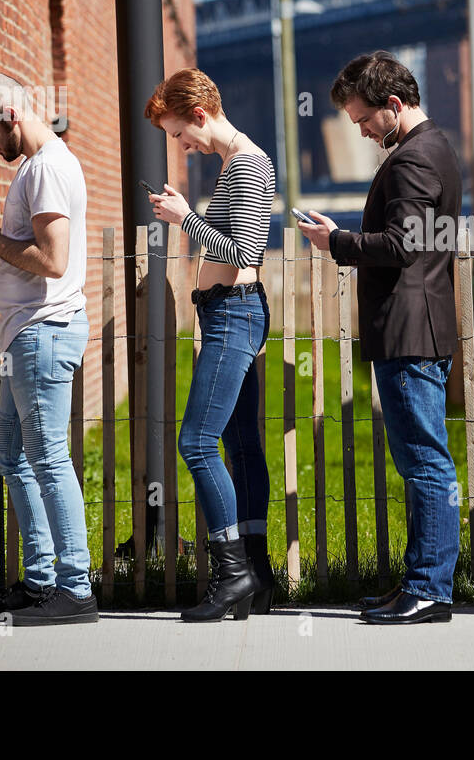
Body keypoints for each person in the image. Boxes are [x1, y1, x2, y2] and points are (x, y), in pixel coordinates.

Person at [299, 50, 462, 625]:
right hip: (417, 328)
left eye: (364, 120)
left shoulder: (413, 159)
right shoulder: (432, 147)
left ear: (393, 105)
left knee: (425, 464)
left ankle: (430, 589)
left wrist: (337, 242)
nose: (363, 132)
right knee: (421, 461)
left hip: (409, 331)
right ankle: (420, 583)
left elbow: (404, 245)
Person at [0, 73, 96, 625]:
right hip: (25, 337)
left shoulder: (48, 166)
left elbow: (51, 261)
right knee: (10, 454)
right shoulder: (39, 165)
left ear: (9, 115)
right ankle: (40, 581)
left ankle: (75, 590)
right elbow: (34, 243)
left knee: (49, 459)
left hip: (42, 333)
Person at [144, 69, 277, 622]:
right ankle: (257, 575)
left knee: (197, 444)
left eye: (179, 134)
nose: (183, 146)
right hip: (229, 314)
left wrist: (185, 219)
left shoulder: (245, 162)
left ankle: (233, 575)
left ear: (198, 114)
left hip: (233, 315)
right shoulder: (235, 163)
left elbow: (242, 253)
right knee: (242, 444)